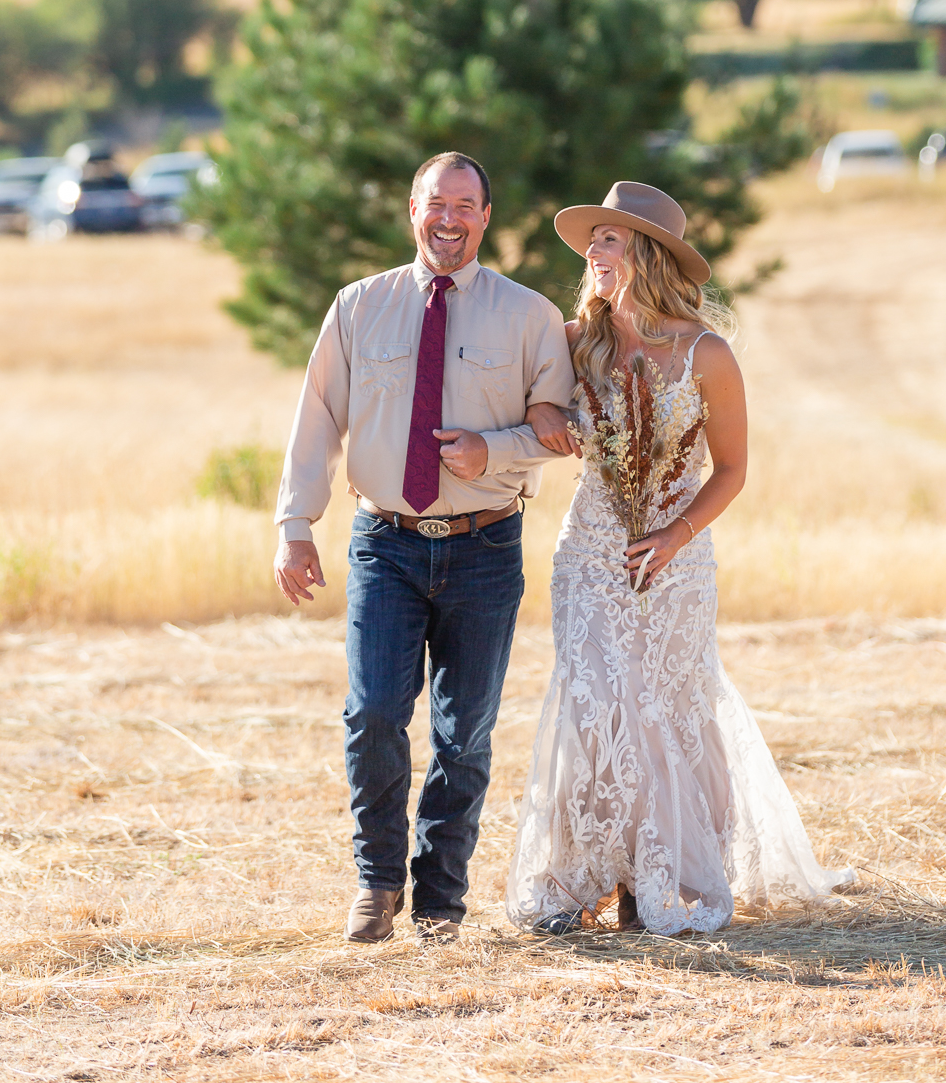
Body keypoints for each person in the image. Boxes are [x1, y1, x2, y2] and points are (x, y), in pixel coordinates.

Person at [508, 181, 853, 936]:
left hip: (676, 557)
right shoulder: (575, 342)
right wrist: (543, 412)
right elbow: (526, 399)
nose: (593, 253)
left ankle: (656, 873)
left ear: (649, 255)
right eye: (593, 239)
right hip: (590, 551)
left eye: (609, 239)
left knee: (668, 711)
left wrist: (674, 536)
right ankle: (590, 871)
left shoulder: (708, 355)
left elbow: (731, 469)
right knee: (595, 709)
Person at [273, 151, 576, 945]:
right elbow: (316, 420)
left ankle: (439, 901)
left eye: (466, 205)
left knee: (463, 734)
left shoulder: (531, 318)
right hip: (385, 543)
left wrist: (494, 449)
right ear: (413, 209)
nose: (449, 219)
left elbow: (560, 430)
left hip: (485, 546)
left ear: (485, 217)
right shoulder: (358, 306)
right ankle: (377, 882)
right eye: (436, 203)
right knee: (373, 712)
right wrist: (295, 525)